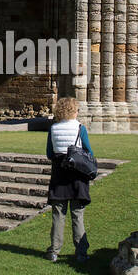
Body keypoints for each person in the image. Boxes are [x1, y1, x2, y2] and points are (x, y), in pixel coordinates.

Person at [45, 96, 93, 263]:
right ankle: (81, 252)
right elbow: (88, 151)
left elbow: (49, 153)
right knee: (77, 214)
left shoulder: (53, 129)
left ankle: (54, 251)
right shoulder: (80, 128)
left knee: (58, 214)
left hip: (59, 174)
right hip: (77, 175)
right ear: (73, 111)